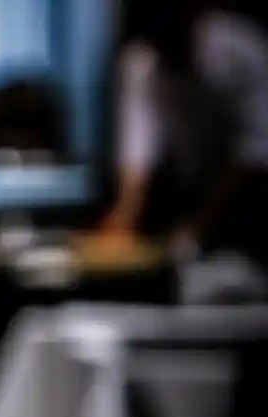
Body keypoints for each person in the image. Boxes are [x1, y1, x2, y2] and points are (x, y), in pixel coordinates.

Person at [103, 0, 268, 273]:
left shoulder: (241, 49)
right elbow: (137, 146)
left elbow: (255, 151)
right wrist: (123, 218)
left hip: (254, 200)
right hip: (194, 192)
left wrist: (200, 225)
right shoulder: (142, 60)